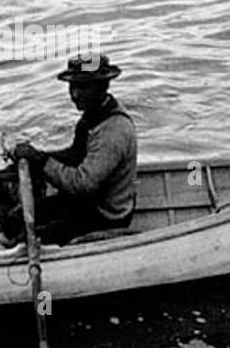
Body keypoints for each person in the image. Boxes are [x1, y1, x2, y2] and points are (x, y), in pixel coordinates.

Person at [9, 54, 137, 245]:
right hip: (86, 205)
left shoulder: (113, 130)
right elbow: (75, 155)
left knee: (28, 240)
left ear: (103, 86)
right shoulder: (94, 115)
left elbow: (82, 185)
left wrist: (41, 161)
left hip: (105, 216)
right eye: (73, 86)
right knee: (15, 218)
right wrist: (37, 156)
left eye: (83, 86)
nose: (75, 94)